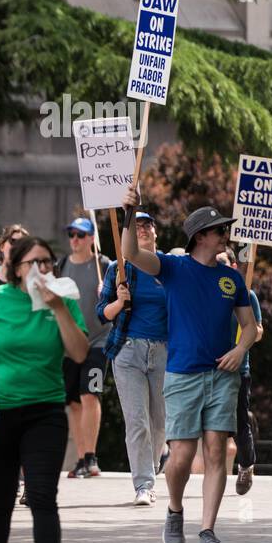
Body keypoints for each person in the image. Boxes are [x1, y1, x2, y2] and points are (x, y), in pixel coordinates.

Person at [121, 189, 257, 543]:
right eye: (218, 229)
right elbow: (131, 254)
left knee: (216, 451)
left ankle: (208, 531)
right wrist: (129, 215)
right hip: (182, 376)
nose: (225, 233)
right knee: (180, 456)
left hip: (223, 378)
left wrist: (239, 349)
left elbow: (250, 327)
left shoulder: (233, 280)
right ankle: (175, 509)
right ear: (200, 236)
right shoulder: (174, 267)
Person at [0, 235, 89, 543]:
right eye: (34, 263)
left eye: (47, 262)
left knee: (41, 495)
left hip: (46, 412)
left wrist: (57, 309)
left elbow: (80, 352)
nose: (42, 269)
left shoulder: (64, 300)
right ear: (15, 269)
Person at [97, 211, 167, 505]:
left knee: (160, 422)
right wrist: (119, 301)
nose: (141, 230)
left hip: (164, 351)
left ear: (155, 232)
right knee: (137, 421)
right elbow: (102, 313)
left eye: (147, 225)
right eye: (135, 226)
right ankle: (144, 484)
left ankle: (150, 470)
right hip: (128, 350)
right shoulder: (119, 268)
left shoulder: (168, 267)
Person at [56, 217, 112, 478]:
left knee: (90, 394)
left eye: (81, 234)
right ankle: (80, 457)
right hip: (69, 343)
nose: (75, 239)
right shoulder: (62, 266)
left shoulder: (104, 266)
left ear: (91, 238)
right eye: (72, 234)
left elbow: (121, 298)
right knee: (73, 402)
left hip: (98, 341)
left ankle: (91, 456)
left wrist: (107, 292)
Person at [216, 247, 263, 496]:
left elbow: (259, 330)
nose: (218, 266)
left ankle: (246, 465)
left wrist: (249, 334)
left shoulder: (247, 295)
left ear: (234, 266)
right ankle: (215, 474)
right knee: (212, 426)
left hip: (238, 370)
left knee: (239, 423)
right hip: (211, 368)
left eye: (223, 262)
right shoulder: (207, 293)